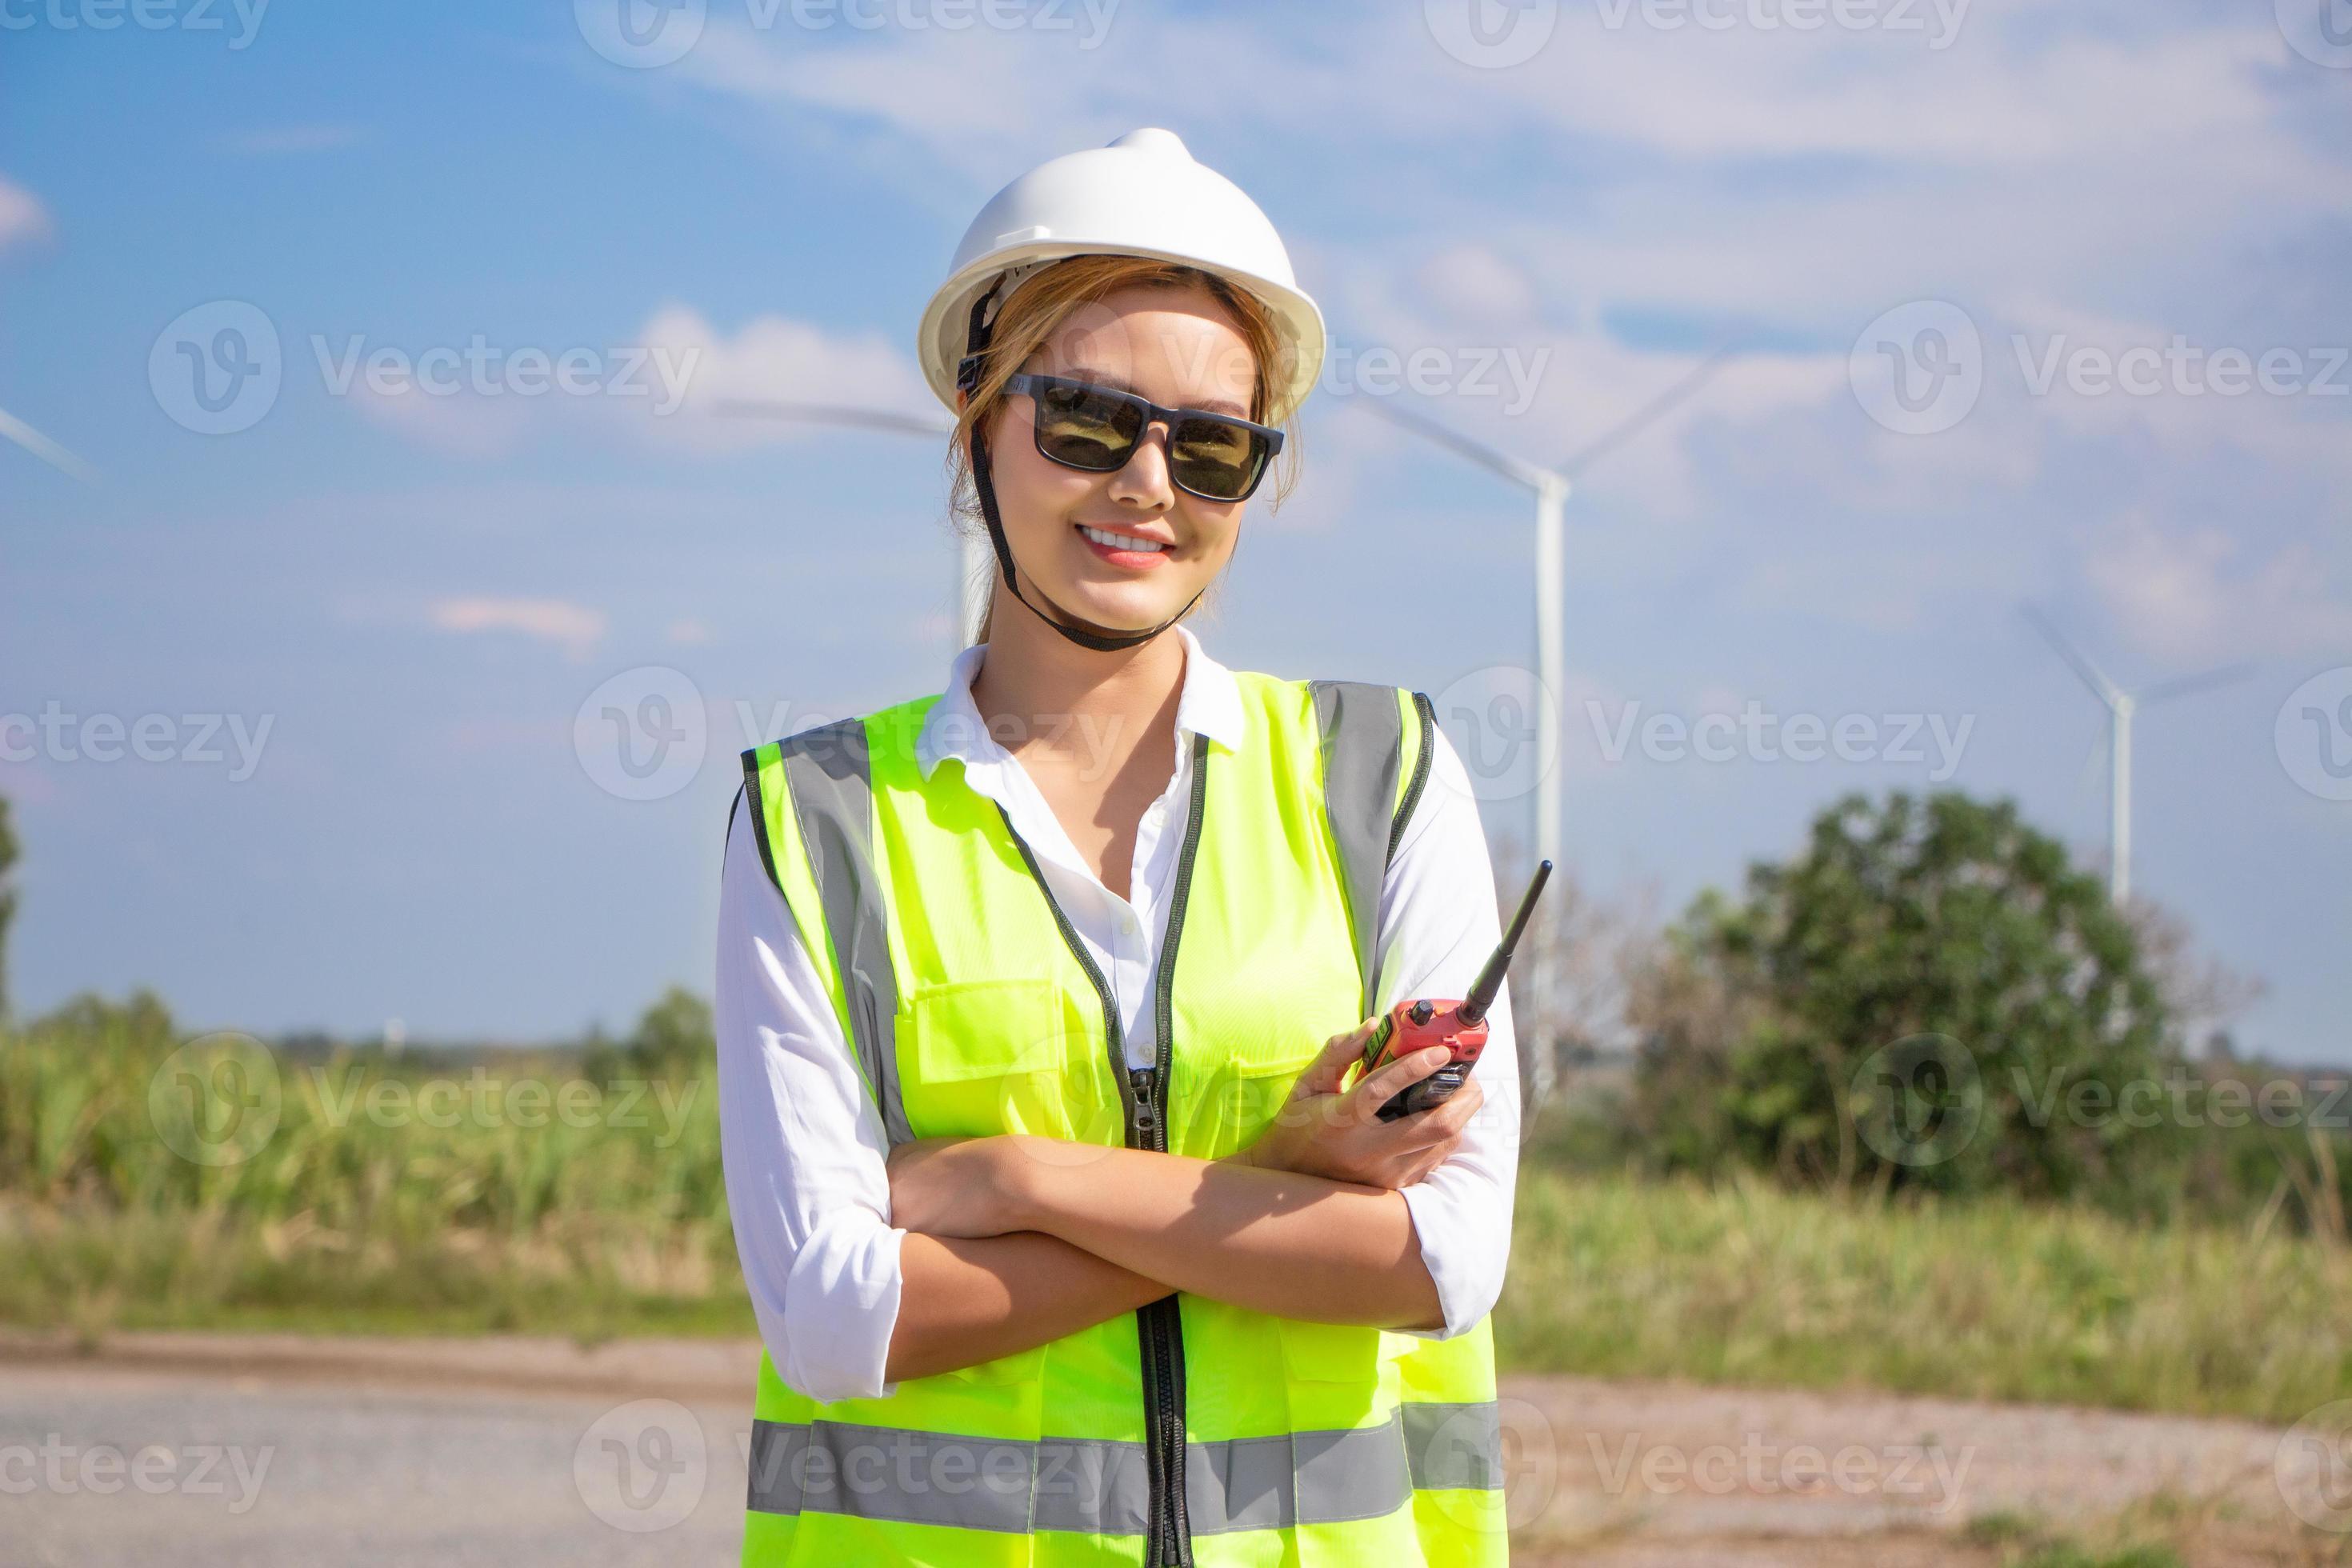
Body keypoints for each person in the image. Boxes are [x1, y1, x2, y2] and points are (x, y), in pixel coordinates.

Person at [716, 126, 1522, 1567]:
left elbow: (1441, 1260)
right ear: (976, 412)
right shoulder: (819, 819)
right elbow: (841, 1317)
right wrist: (1285, 1178)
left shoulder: (1384, 776)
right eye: (1089, 419)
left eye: (1211, 446)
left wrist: (1018, 1182)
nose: (1149, 482)